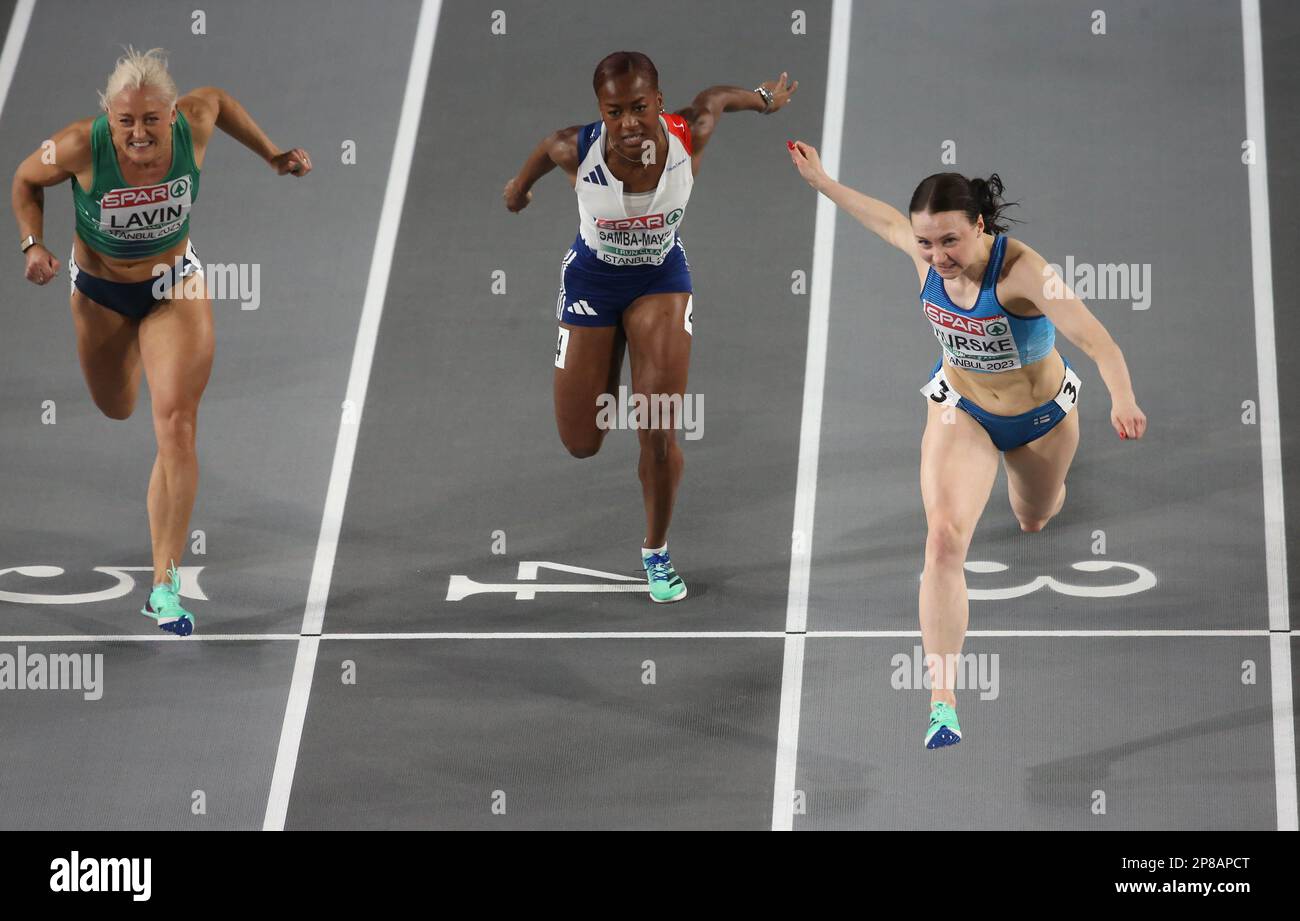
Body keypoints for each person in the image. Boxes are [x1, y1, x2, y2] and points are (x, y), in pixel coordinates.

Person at [787, 141, 1147, 747]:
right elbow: (879, 217)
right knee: (943, 539)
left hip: (1040, 420)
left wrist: (1124, 398)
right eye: (926, 243)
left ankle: (1045, 493)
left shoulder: (1024, 273)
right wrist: (824, 181)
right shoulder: (926, 257)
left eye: (949, 241)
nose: (937, 255)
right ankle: (943, 701)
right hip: (964, 412)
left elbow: (1098, 340)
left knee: (1035, 516)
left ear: (980, 225)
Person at [12, 47, 311, 635]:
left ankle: (164, 585)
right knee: (118, 406)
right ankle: (136, 369)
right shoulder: (77, 145)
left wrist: (273, 155)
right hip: (99, 294)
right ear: (108, 119)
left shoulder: (192, 124)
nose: (140, 132)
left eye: (152, 118)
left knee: (175, 425)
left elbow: (220, 100)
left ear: (172, 114)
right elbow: (24, 179)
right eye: (126, 121)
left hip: (176, 286)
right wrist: (32, 244)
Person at [503, 51, 797, 602]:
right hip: (593, 283)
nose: (629, 122)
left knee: (658, 428)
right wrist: (519, 188)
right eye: (615, 112)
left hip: (659, 281)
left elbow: (715, 98)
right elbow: (546, 150)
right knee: (582, 442)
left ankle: (656, 552)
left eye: (640, 107)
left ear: (659, 103)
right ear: (601, 112)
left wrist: (761, 100)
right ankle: (608, 355)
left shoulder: (689, 134)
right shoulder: (576, 147)